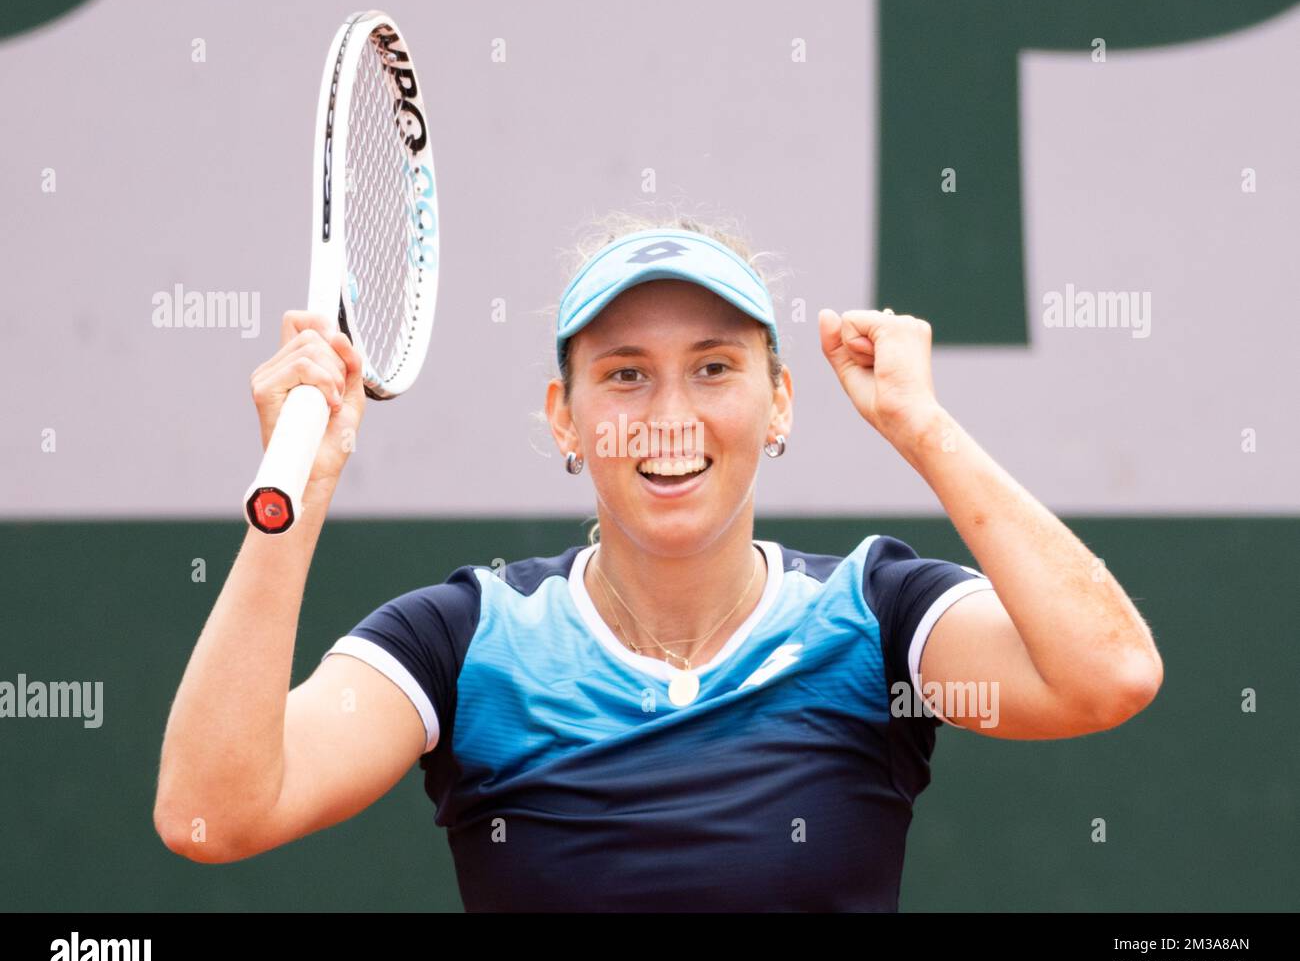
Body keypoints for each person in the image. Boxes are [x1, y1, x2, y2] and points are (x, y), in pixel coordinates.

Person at [154, 213, 1164, 912]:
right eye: (625, 373)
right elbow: (212, 812)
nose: (671, 414)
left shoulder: (877, 616)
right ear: (566, 416)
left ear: (779, 401)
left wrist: (923, 424)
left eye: (714, 366)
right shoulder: (461, 642)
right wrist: (299, 499)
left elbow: (1106, 673)